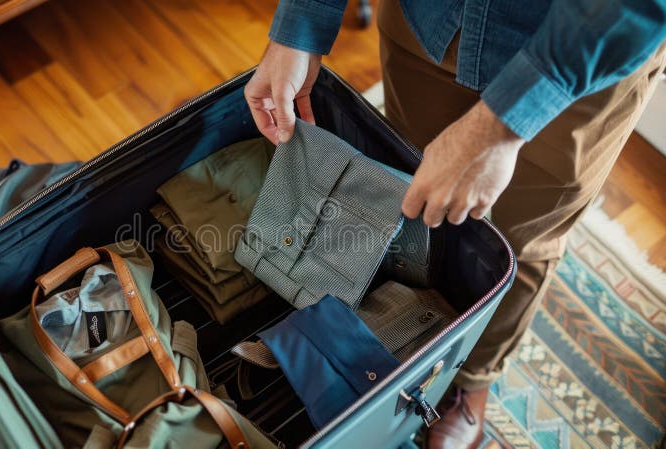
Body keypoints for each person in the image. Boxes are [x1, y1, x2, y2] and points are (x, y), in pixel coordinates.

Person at [244, 0, 666, 447]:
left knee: (516, 243)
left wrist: (504, 124)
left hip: (578, 61)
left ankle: (473, 375)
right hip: (427, 21)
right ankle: (394, 323)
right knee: (403, 192)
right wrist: (305, 19)